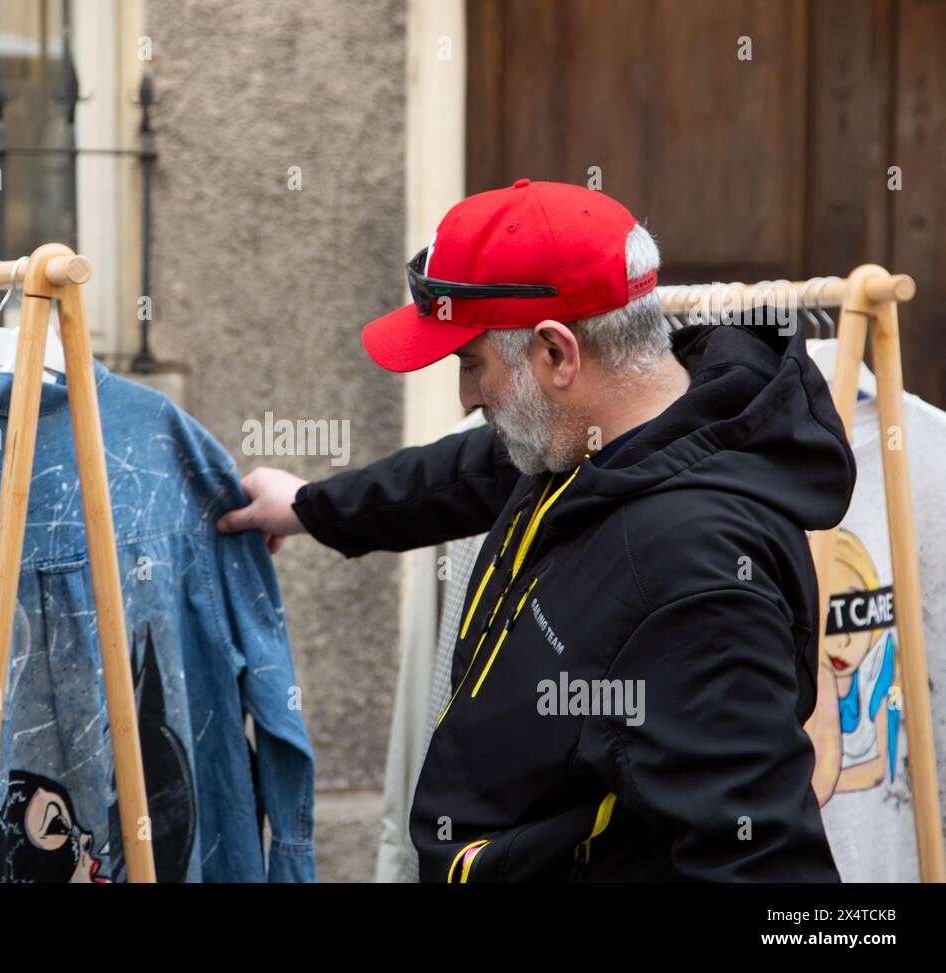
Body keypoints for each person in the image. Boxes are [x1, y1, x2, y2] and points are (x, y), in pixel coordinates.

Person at [217, 180, 854, 882]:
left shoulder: (692, 573)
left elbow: (767, 868)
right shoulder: (590, 440)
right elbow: (459, 473)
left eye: (470, 363)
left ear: (557, 354)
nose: (464, 397)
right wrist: (310, 505)